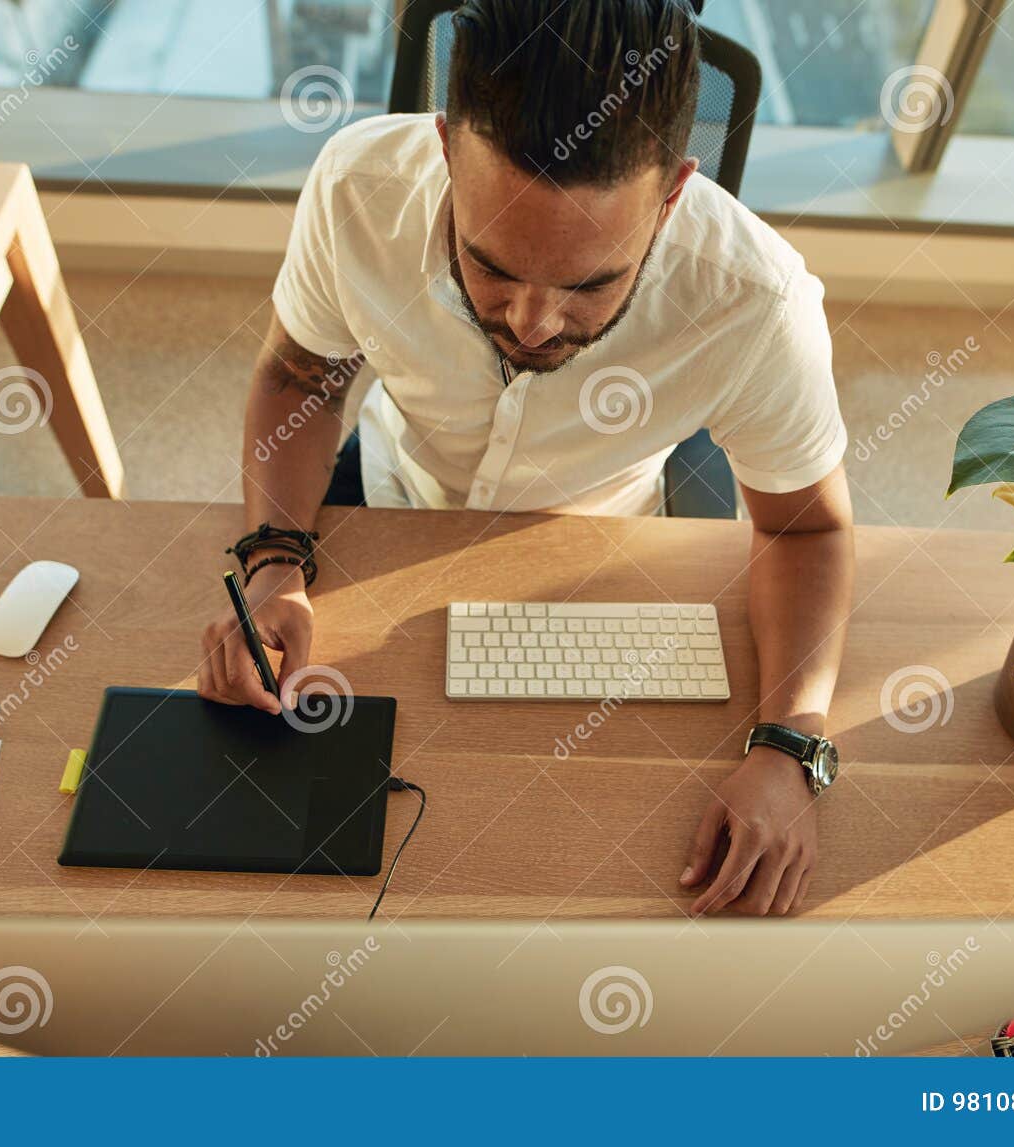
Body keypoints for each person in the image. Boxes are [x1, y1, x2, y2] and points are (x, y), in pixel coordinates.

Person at [199, 0, 853, 916]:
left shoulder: (757, 300)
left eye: (589, 283)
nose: (532, 324)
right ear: (441, 150)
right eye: (492, 265)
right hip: (383, 498)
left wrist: (791, 745)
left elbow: (808, 527)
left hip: (602, 544)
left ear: (671, 192)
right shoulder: (356, 188)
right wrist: (273, 561)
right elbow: (297, 375)